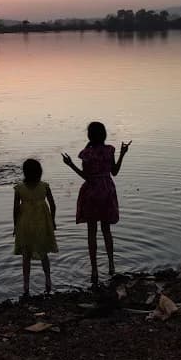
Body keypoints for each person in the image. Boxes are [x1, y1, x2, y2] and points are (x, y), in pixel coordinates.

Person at [62, 121, 131, 284]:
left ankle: (94, 270)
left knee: (91, 233)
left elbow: (86, 176)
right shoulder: (109, 150)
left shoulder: (86, 154)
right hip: (107, 191)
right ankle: (112, 265)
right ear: (104, 135)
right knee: (106, 230)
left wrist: (71, 165)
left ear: (89, 136)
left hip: (92, 192)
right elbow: (115, 172)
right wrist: (122, 154)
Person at [13, 158, 58, 296]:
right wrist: (52, 221)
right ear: (39, 172)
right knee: (43, 253)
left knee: (26, 256)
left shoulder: (19, 188)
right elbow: (53, 205)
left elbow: (15, 209)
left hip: (25, 225)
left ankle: (26, 285)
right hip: (41, 224)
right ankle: (48, 280)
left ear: (25, 172)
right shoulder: (45, 186)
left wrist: (15, 226)